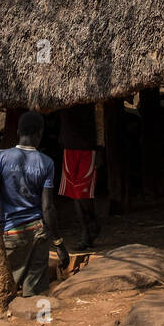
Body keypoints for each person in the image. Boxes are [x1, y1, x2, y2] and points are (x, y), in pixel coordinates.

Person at [0, 111, 69, 296]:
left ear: (18, 131)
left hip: (10, 233)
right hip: (37, 233)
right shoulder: (47, 163)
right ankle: (36, 322)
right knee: (34, 293)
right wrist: (58, 243)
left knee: (4, 292)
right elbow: (47, 207)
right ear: (40, 133)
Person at [59, 103, 101, 251]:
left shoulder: (90, 94)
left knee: (83, 192)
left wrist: (100, 147)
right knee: (74, 193)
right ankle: (86, 230)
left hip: (87, 148)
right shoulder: (61, 92)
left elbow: (99, 116)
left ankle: (90, 224)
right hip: (69, 147)